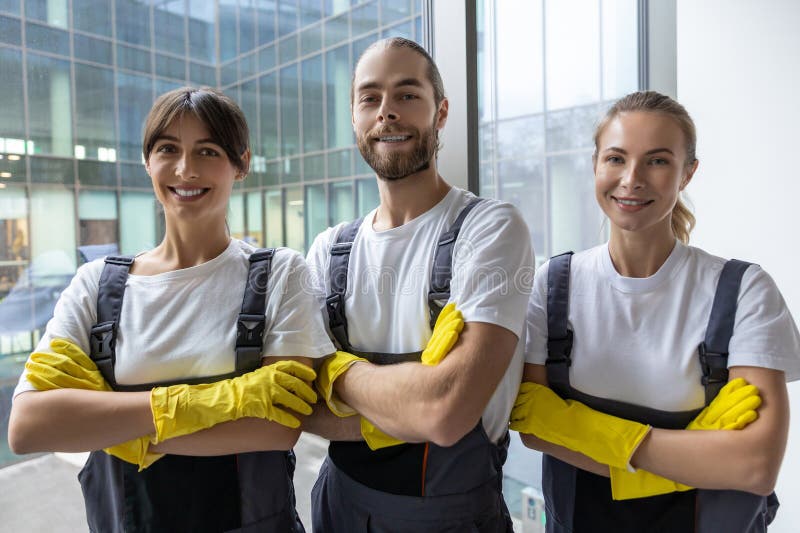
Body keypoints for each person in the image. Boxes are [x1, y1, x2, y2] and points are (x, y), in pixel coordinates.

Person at [8, 87, 334, 532]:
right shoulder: (98, 284)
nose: (185, 169)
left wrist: (110, 424)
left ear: (242, 164)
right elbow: (29, 425)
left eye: (208, 150)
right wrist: (210, 403)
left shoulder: (279, 274)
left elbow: (277, 427)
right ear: (147, 161)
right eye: (168, 149)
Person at [511, 91, 800, 532]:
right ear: (595, 165)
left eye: (658, 161)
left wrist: (594, 433)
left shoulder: (744, 291)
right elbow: (534, 429)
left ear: (688, 173)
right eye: (615, 158)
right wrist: (699, 455)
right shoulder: (553, 286)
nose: (632, 179)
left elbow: (755, 467)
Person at [303, 38, 534, 532]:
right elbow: (297, 406)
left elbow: (447, 413)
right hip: (338, 510)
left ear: (441, 112)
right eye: (370, 98)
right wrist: (416, 396)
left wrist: (335, 371)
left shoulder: (489, 230)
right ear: (354, 117)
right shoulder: (329, 250)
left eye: (407, 95)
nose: (387, 112)